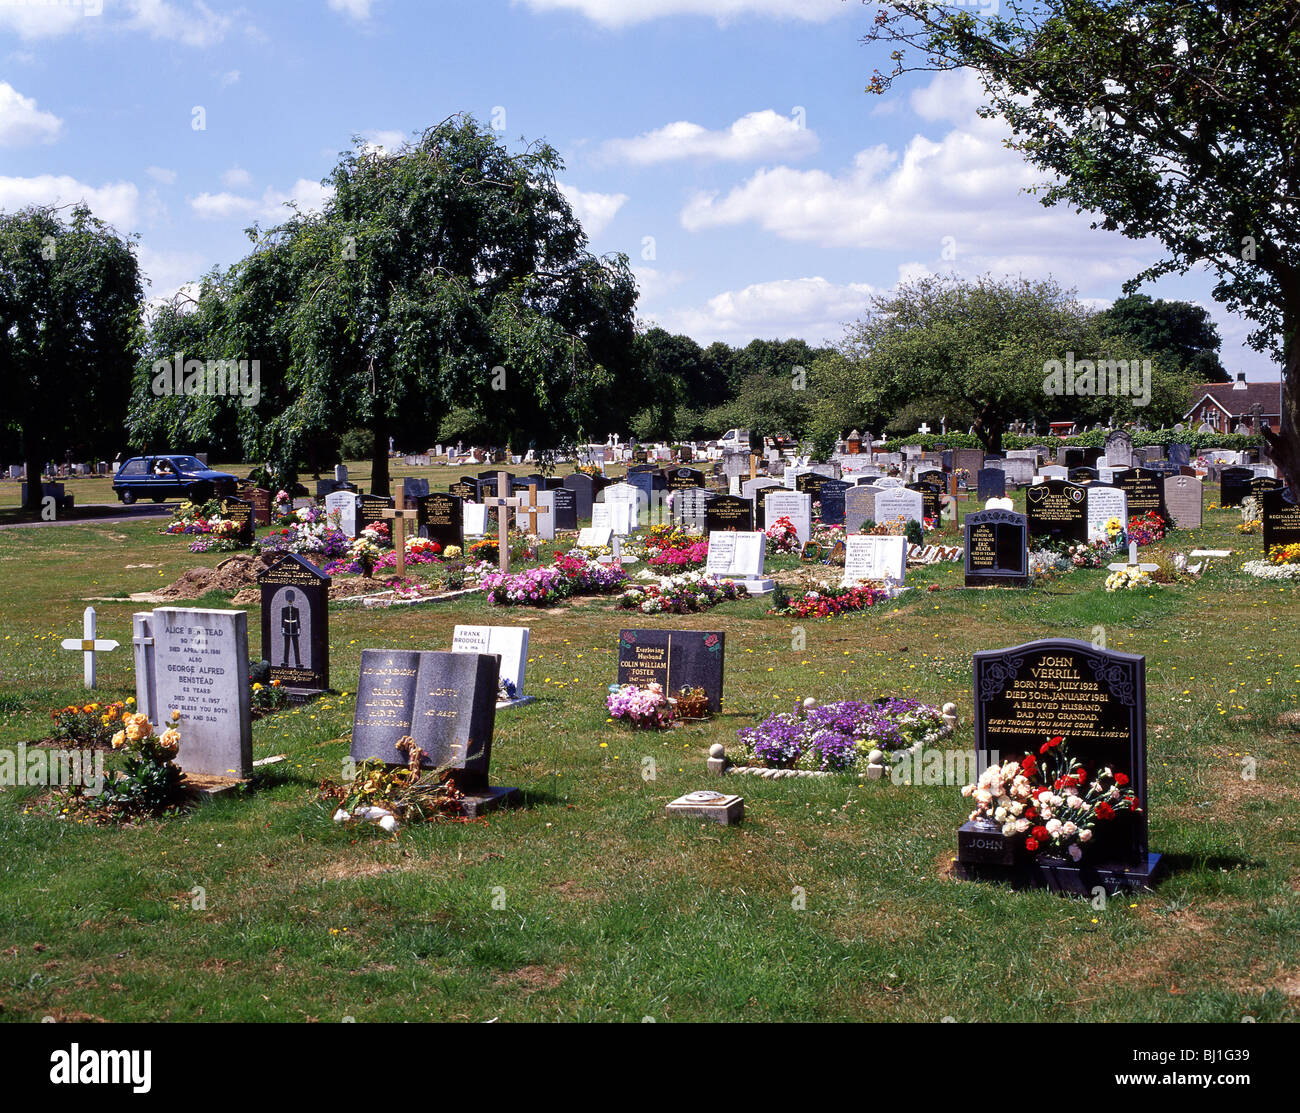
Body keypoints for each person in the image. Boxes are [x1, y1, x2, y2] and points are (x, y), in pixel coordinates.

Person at [280, 590, 302, 668]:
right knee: (287, 647)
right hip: (286, 627)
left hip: (294, 628)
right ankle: (286, 662)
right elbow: (282, 619)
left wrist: (299, 629)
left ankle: (298, 663)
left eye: (291, 600)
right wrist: (282, 628)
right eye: (289, 600)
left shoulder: (296, 610)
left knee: (296, 647)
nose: (290, 602)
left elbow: (298, 620)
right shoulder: (284, 609)